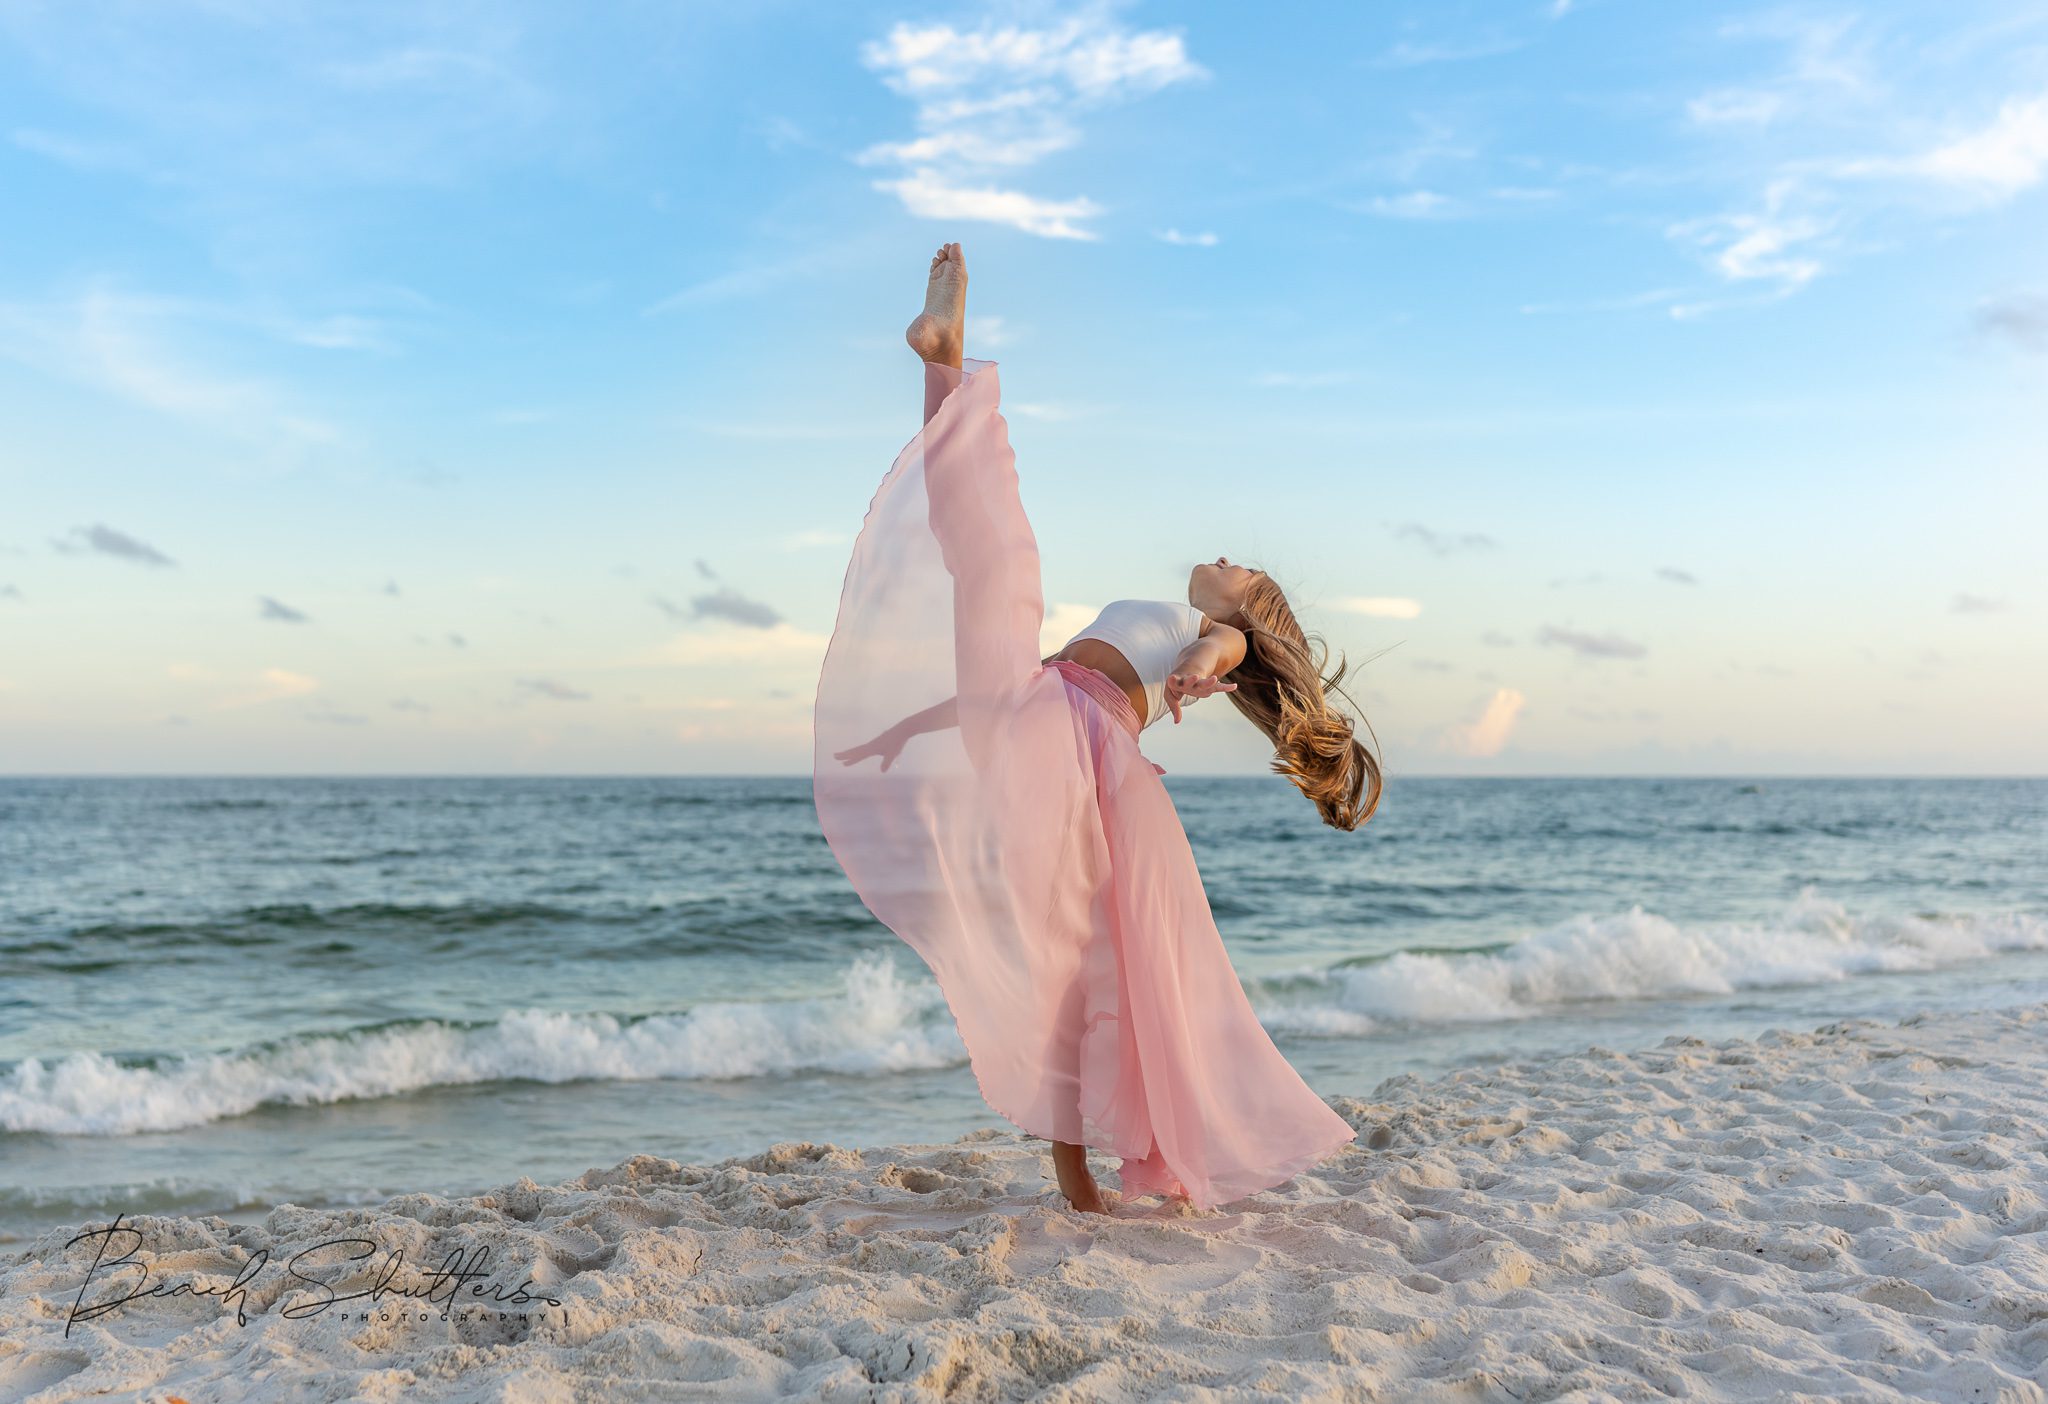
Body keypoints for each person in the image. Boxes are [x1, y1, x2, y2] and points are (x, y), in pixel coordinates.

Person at [813, 242, 1382, 1215]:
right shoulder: (1166, 622)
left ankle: (1080, 1181)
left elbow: (1224, 655)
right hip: (1036, 723)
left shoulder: (1215, 635)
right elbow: (1011, 686)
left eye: (1240, 570)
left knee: (1090, 982)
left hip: (1082, 756)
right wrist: (904, 729)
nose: (1222, 558)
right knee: (983, 566)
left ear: (1247, 611)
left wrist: (1203, 670)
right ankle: (943, 365)